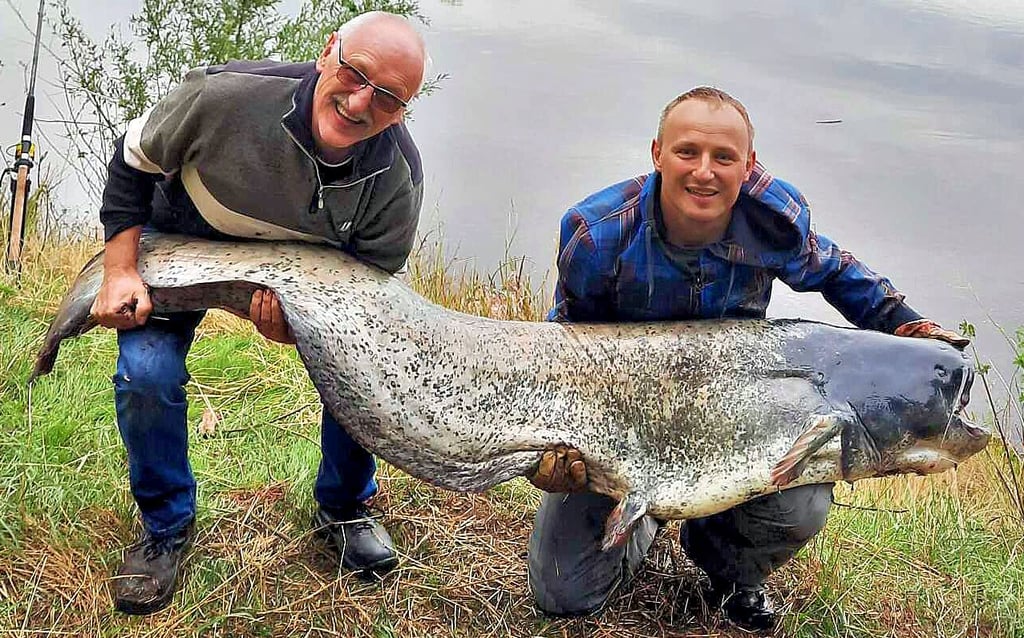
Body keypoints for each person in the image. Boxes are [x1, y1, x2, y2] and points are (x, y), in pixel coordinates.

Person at [525, 86, 968, 632]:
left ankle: (730, 570)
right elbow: (563, 352)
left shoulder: (773, 221)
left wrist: (904, 322)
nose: (704, 172)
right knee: (562, 593)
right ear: (657, 153)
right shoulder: (596, 237)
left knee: (801, 500)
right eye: (687, 152)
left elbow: (835, 273)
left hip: (734, 415)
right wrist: (552, 451)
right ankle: (647, 512)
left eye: (724, 158)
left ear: (749, 166)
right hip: (625, 423)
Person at [90, 11, 428, 615]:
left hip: (300, 283)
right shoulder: (221, 96)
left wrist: (296, 329)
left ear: (403, 111)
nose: (360, 102)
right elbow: (131, 161)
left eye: (389, 98)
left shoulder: (396, 177)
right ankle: (166, 525)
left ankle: (344, 506)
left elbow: (371, 302)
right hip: (179, 242)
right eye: (355, 73)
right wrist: (120, 270)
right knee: (146, 373)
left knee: (366, 370)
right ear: (328, 51)